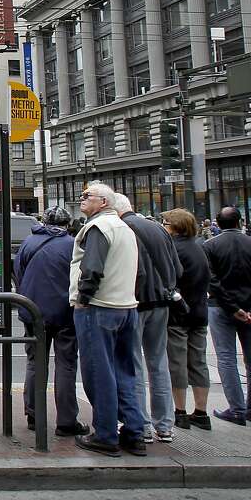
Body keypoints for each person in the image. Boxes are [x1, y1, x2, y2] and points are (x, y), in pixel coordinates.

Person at [69, 182, 146, 457]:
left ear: (103, 202)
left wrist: (83, 298)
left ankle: (105, 434)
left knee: (98, 373)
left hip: (99, 308)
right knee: (125, 372)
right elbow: (141, 272)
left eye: (87, 196)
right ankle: (134, 432)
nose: (81, 199)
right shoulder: (126, 229)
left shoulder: (98, 228)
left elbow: (91, 268)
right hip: (126, 307)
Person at [13, 205, 88, 437]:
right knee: (66, 364)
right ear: (67, 225)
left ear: (43, 222)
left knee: (35, 362)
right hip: (65, 312)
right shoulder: (72, 244)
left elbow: (19, 274)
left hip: (33, 311)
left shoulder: (28, 243)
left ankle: (34, 414)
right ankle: (66, 421)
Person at [112, 193, 181, 443]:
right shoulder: (157, 229)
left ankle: (140, 425)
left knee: (134, 363)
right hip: (162, 301)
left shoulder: (121, 228)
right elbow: (177, 267)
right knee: (158, 361)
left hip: (135, 301)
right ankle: (165, 425)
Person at [204, 205, 251, 426]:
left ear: (217, 223)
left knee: (226, 357)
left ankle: (237, 408)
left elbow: (213, 281)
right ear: (240, 222)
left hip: (221, 307)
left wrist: (233, 308)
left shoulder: (210, 246)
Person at [162, 208, 212, 431]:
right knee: (199, 362)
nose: (163, 226)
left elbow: (169, 280)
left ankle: (180, 410)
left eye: (165, 223)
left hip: (178, 313)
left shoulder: (174, 249)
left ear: (175, 226)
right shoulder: (200, 248)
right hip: (199, 312)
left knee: (177, 362)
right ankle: (201, 411)